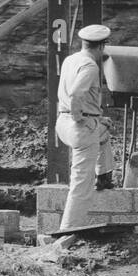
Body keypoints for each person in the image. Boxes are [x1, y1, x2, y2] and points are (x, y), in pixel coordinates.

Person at [56, 23, 116, 231]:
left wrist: (96, 121)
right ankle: (67, 231)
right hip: (79, 127)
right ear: (101, 47)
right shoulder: (90, 66)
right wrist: (79, 118)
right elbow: (75, 94)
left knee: (104, 131)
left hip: (62, 123)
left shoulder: (70, 59)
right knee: (81, 185)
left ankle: (104, 175)